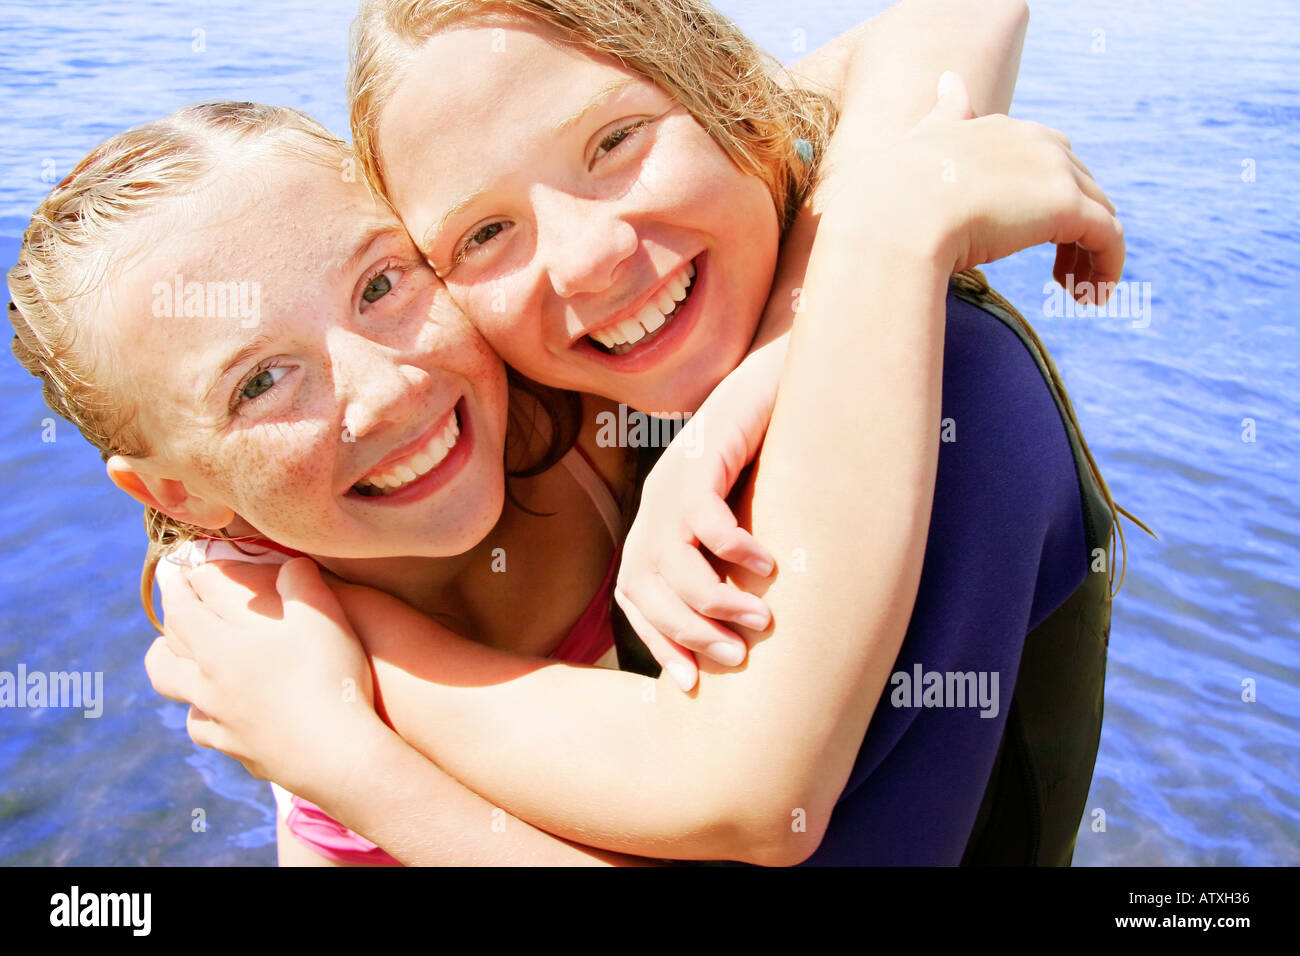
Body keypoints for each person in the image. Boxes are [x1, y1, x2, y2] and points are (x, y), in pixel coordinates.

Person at [151, 1, 1125, 866]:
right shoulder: (585, 395)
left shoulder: (956, 395)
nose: (587, 259)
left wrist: (341, 746)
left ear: (733, 97)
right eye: (482, 235)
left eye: (615, 142)